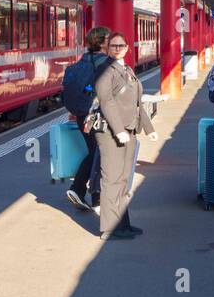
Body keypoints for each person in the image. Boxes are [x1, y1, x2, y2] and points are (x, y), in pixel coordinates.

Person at [94, 31, 156, 241]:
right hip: (112, 132)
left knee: (123, 179)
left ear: (128, 48)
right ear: (107, 49)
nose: (117, 48)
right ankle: (110, 228)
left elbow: (137, 102)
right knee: (112, 179)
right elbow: (106, 100)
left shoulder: (126, 68)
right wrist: (119, 130)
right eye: (113, 46)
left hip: (129, 129)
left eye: (121, 45)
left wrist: (149, 128)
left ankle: (123, 224)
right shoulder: (106, 70)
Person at [66, 26, 112, 212]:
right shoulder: (107, 64)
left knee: (95, 151)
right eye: (108, 39)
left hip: (82, 115)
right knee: (100, 153)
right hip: (100, 116)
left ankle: (95, 198)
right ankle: (79, 189)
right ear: (101, 43)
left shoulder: (81, 63)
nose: (111, 43)